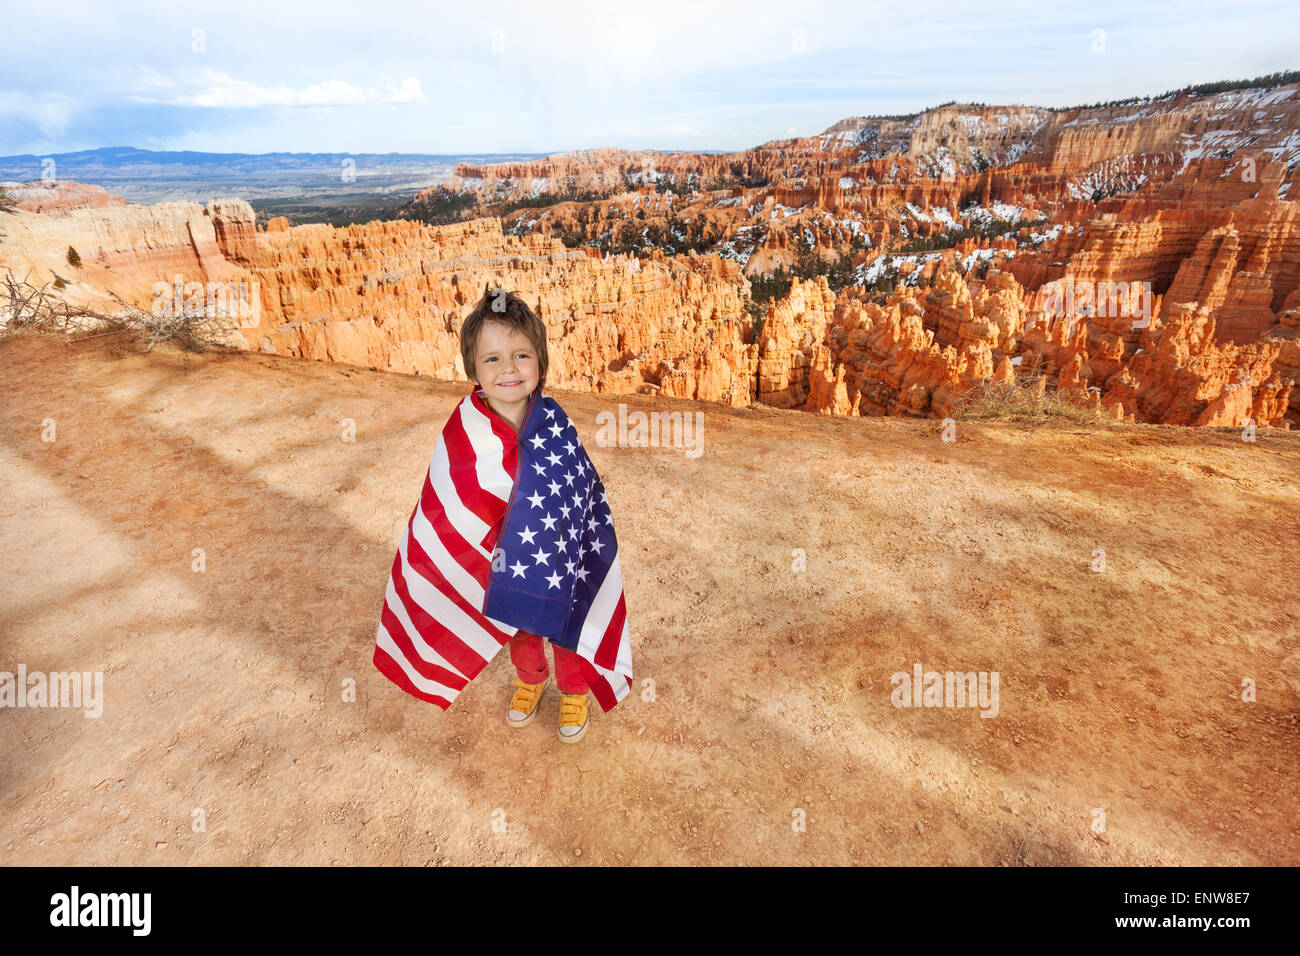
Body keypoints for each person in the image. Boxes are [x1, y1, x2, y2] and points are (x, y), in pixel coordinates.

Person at [459, 287, 592, 742]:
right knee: (516, 615)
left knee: (564, 612)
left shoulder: (554, 421)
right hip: (503, 552)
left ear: (540, 362)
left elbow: (579, 485)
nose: (509, 369)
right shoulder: (466, 429)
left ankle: (574, 687)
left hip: (556, 547)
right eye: (492, 359)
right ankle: (530, 678)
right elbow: (452, 494)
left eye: (521, 355)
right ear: (473, 369)